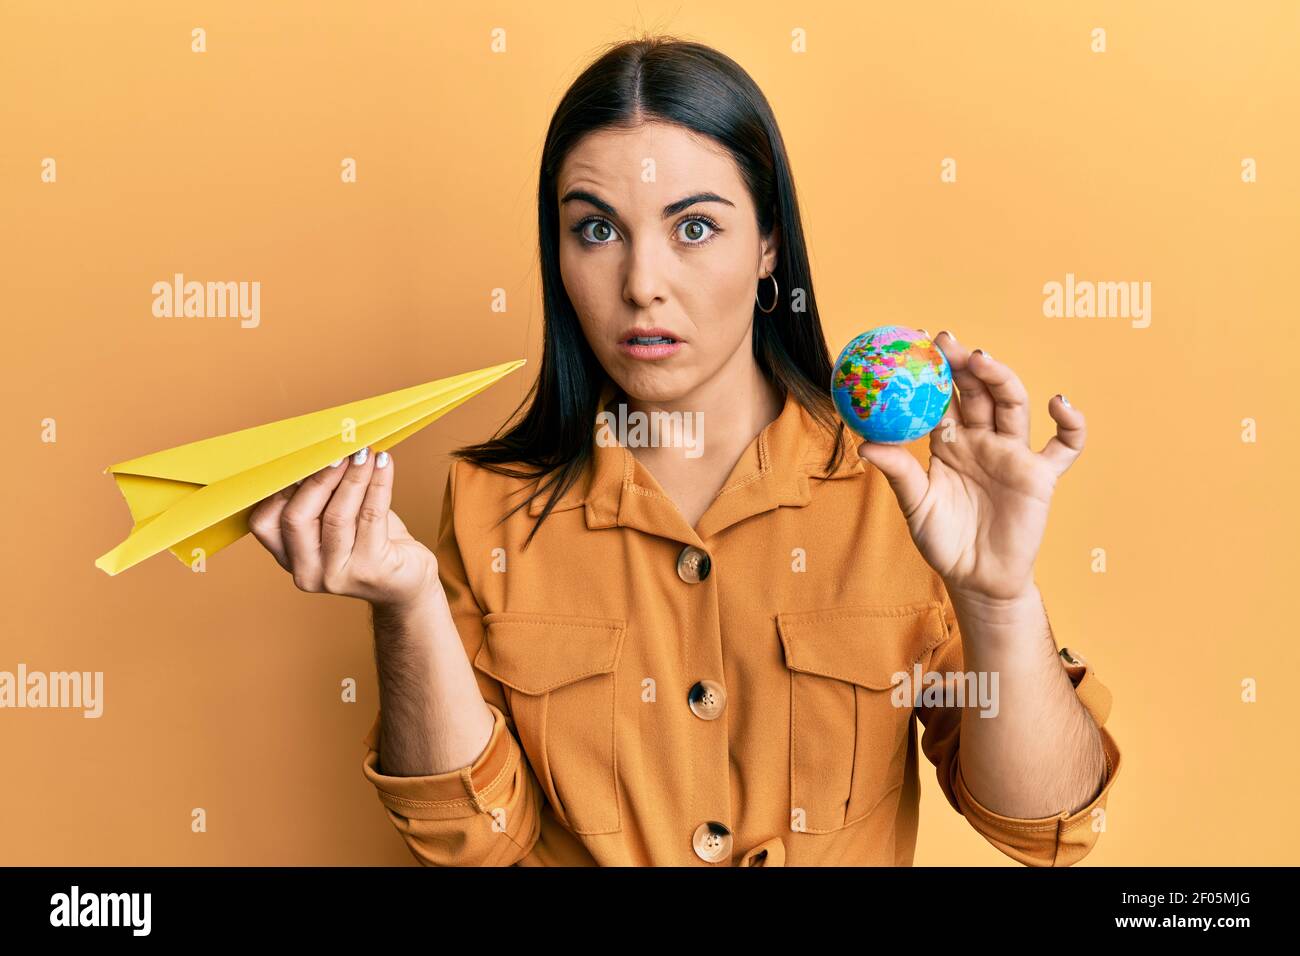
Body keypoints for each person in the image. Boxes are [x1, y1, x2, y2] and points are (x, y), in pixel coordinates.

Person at [248, 35, 1121, 867]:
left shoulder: (905, 496)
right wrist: (406, 606)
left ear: (769, 241)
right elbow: (470, 841)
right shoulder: (491, 503)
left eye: (694, 227)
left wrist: (995, 599)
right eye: (597, 230)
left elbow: (1046, 825)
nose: (641, 283)